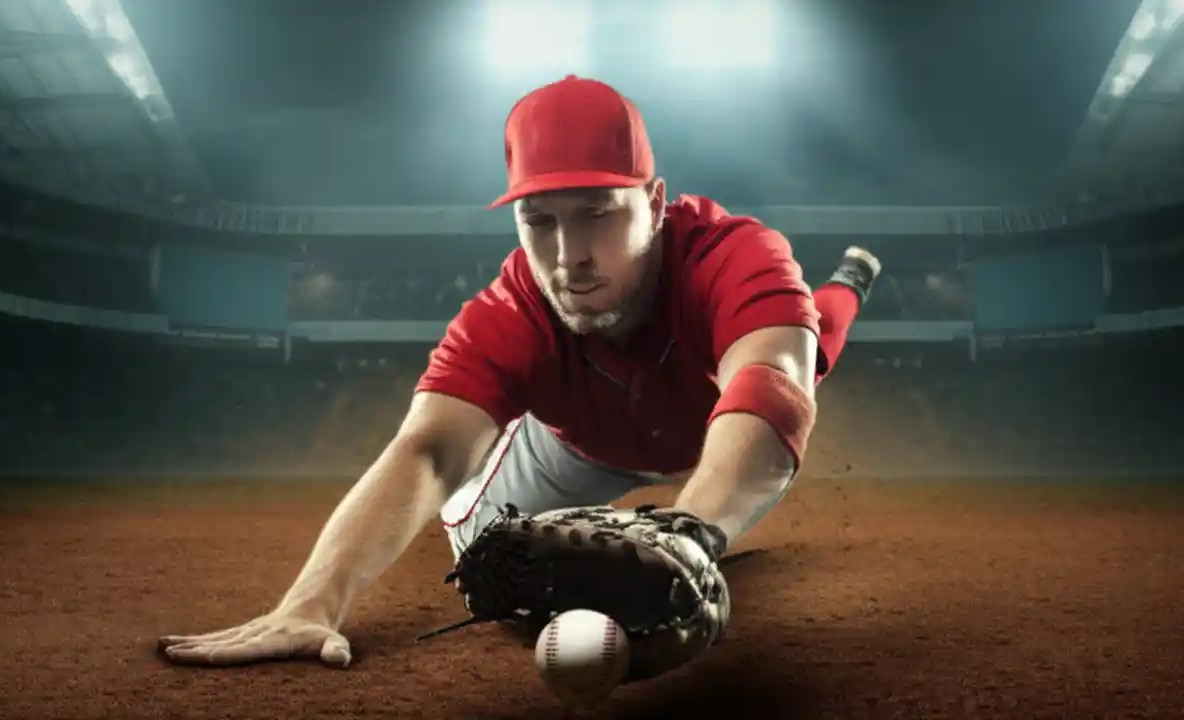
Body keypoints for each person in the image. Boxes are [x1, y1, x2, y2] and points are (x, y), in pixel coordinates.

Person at [158, 75, 881, 669]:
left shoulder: (734, 256)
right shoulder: (511, 310)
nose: (569, 255)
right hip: (573, 449)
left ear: (655, 205)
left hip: (719, 412)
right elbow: (430, 451)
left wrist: (692, 532)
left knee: (810, 344)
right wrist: (310, 603)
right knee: (489, 562)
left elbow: (770, 387)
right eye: (540, 221)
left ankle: (848, 279)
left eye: (596, 212)